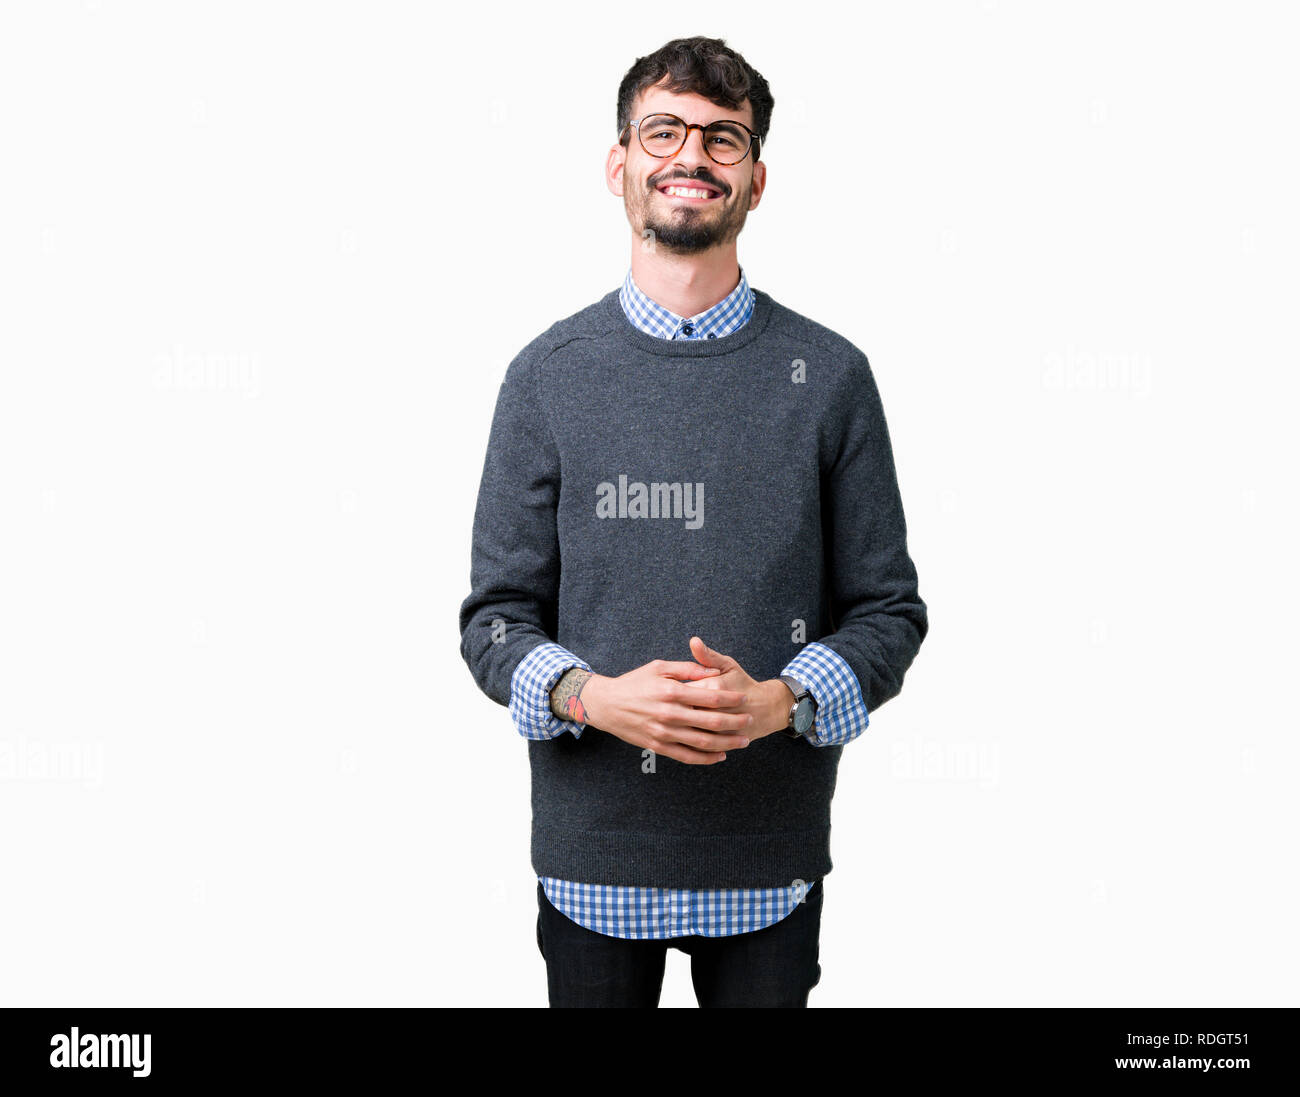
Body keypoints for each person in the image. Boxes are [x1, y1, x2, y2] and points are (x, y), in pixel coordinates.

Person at [458, 35, 928, 1007]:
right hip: (594, 859)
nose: (691, 156)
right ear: (618, 164)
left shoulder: (830, 378)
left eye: (723, 139)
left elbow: (887, 611)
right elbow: (495, 619)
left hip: (766, 859)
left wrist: (782, 702)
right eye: (663, 130)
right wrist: (590, 696)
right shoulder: (546, 376)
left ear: (756, 181)